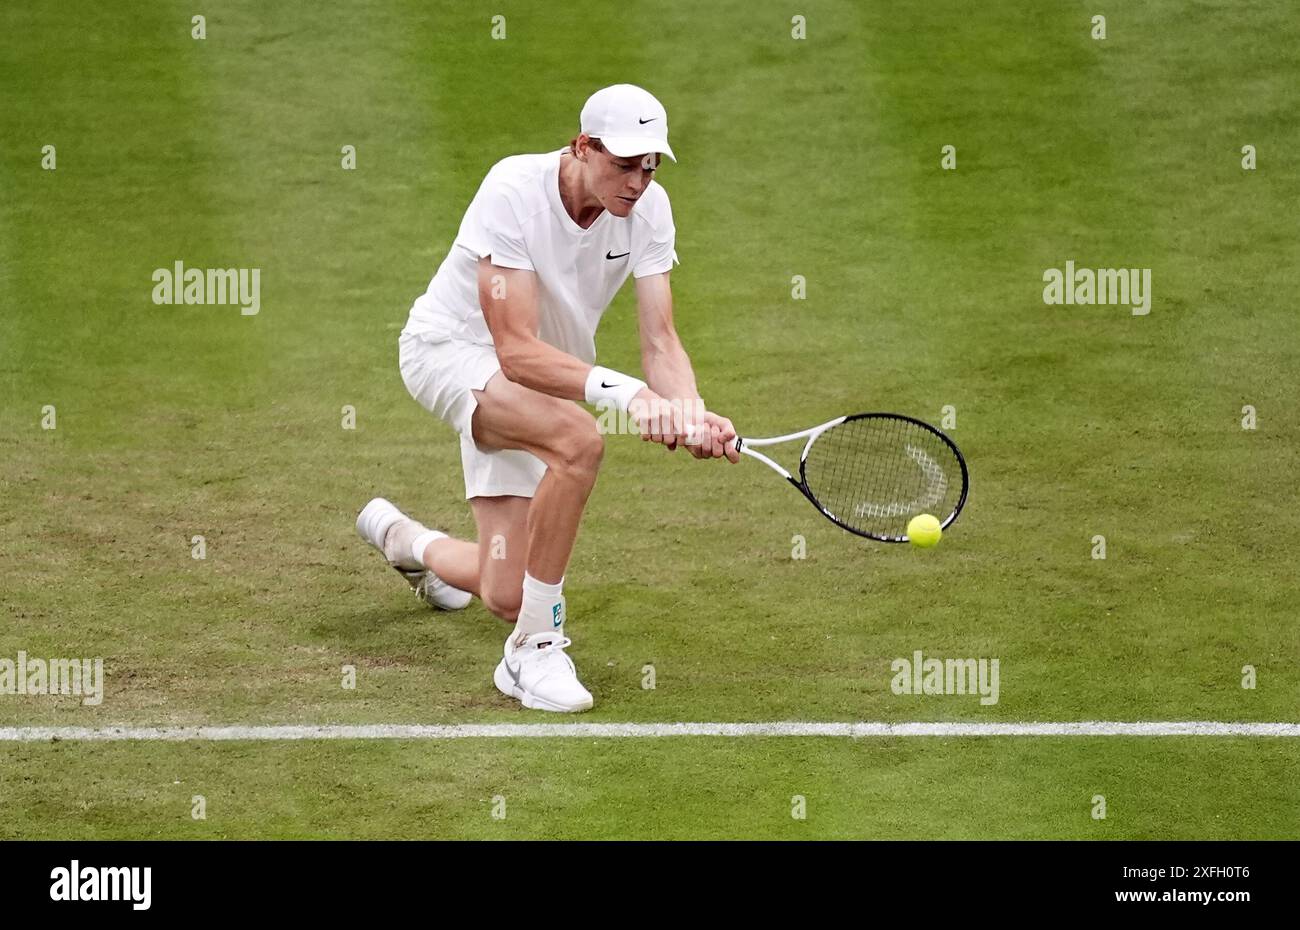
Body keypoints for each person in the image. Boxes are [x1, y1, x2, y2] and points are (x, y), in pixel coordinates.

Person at [357, 84, 737, 713]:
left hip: (541, 383)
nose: (638, 182)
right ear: (582, 147)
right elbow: (514, 349)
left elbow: (661, 340)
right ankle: (534, 648)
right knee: (580, 439)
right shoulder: (513, 191)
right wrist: (631, 396)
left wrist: (689, 413)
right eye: (622, 163)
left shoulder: (651, 211)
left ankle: (407, 543)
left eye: (650, 166)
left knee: (507, 590)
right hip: (449, 353)